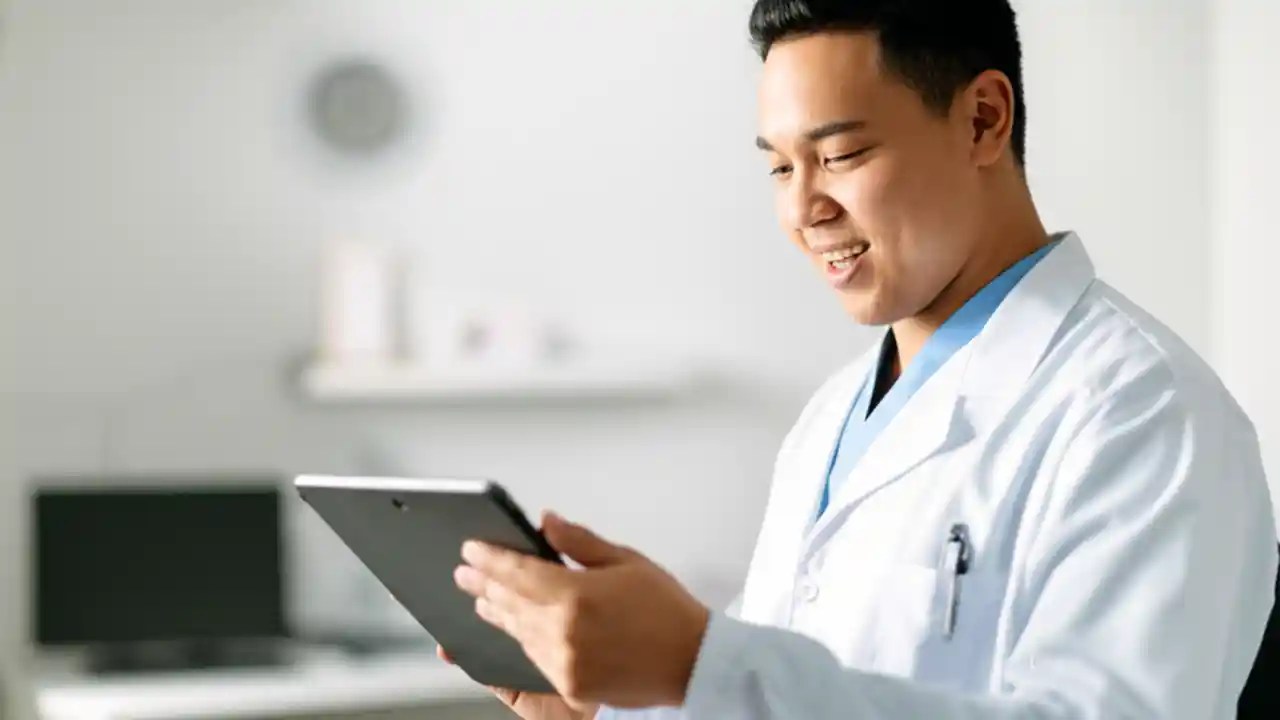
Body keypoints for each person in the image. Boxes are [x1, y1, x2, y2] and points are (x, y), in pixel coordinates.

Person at [441, 1, 1278, 717]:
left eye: (841, 156)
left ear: (984, 118)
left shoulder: (1143, 413)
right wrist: (619, 703)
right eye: (778, 166)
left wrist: (696, 662)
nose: (803, 209)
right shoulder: (833, 419)